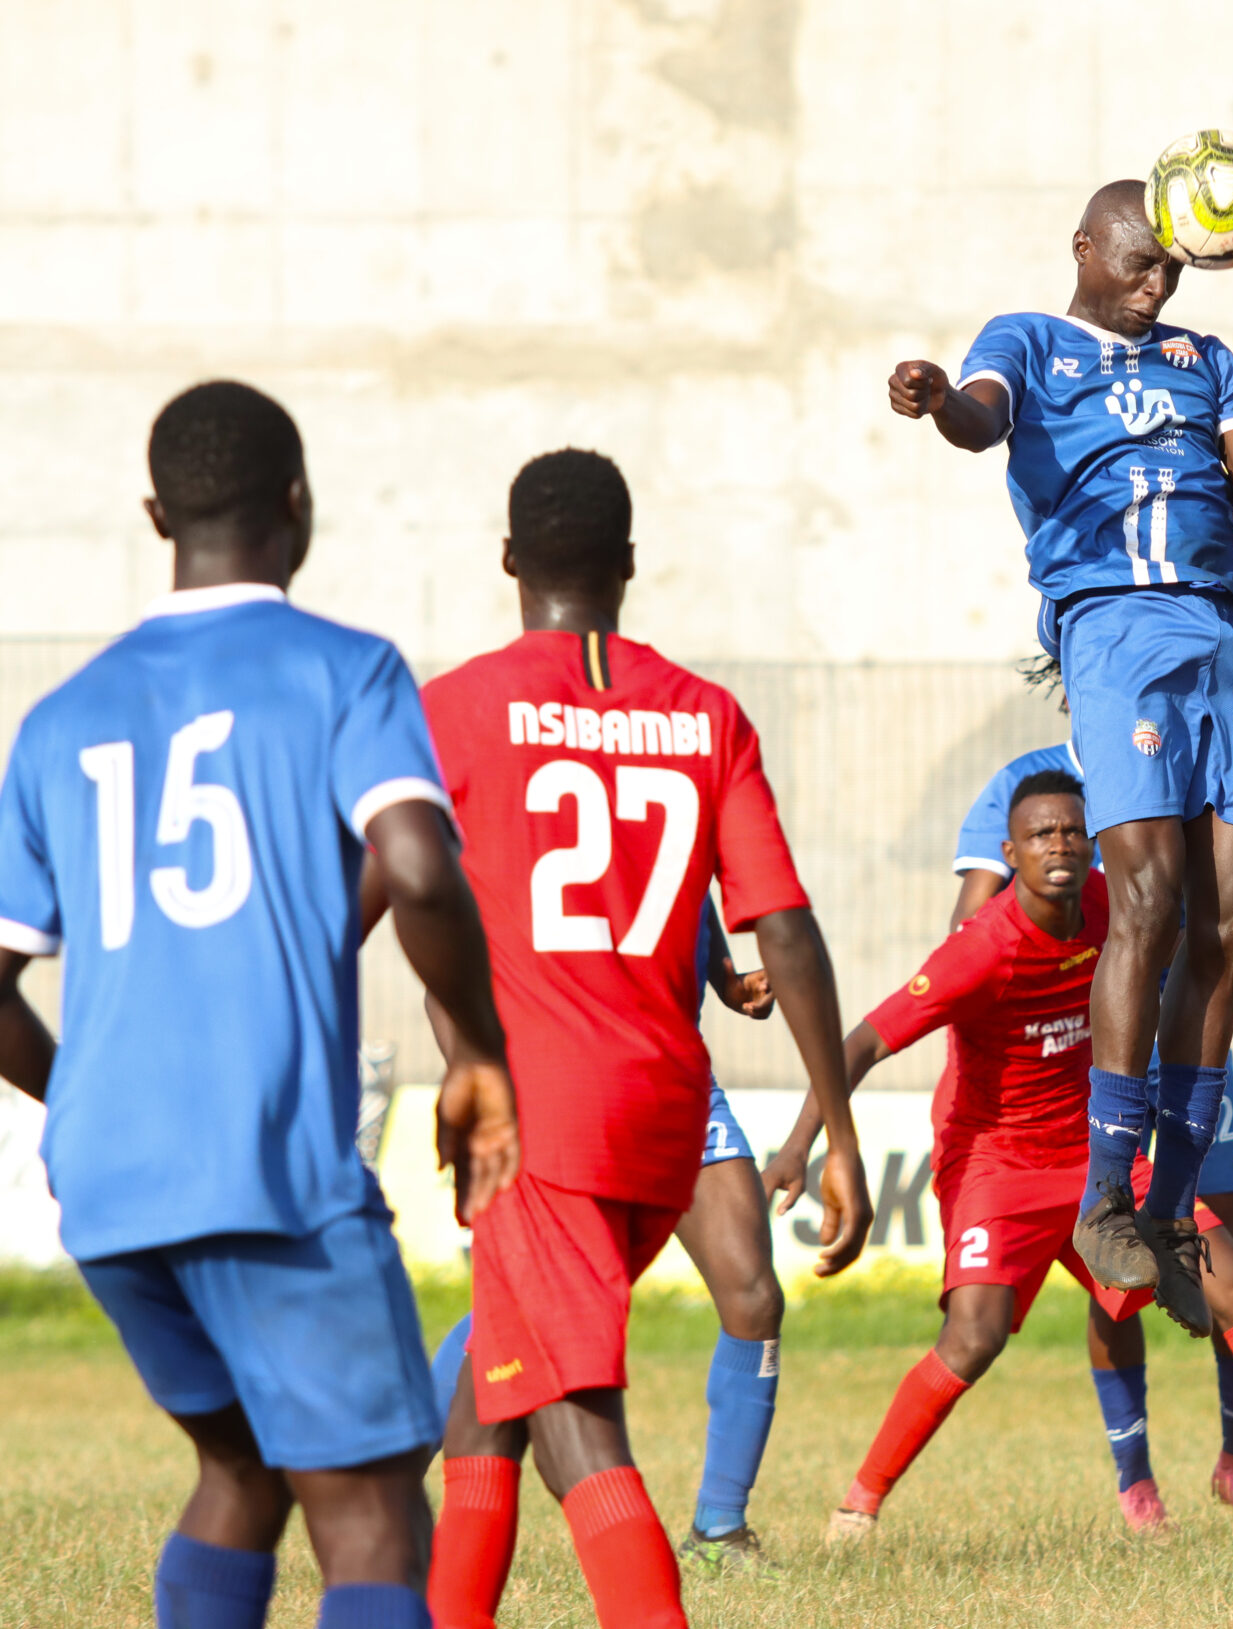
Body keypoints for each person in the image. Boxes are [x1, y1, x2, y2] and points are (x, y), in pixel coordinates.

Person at [0, 380, 521, 1629]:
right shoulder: (340, 670)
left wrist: (81, 1090)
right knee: (373, 1513)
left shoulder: (60, 717)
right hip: (268, 1172)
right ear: (299, 504)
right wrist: (482, 1054)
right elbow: (412, 863)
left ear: (153, 513)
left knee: (239, 1468)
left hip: (110, 1186)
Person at [886, 179, 1233, 1335]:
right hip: (1112, 629)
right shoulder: (1028, 342)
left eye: (1170, 269)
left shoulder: (1208, 361)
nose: (1156, 284)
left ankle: (1165, 1202)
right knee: (1150, 902)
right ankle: (1104, 1194)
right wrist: (932, 403)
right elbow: (978, 415)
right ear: (1084, 249)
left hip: (1221, 630)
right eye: (1137, 264)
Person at [415, 449, 872, 1629]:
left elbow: (407, 894)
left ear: (510, 561)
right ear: (628, 565)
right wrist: (841, 1132)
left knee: (573, 1414)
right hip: (670, 1111)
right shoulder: (704, 714)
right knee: (491, 1403)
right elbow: (789, 931)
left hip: (539, 1117)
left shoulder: (454, 707)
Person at [766, 772, 1233, 1539]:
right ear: (1011, 852)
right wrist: (810, 1145)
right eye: (1041, 836)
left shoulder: (1116, 911)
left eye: (1073, 831)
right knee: (975, 1334)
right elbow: (864, 1039)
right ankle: (856, 1506)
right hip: (998, 1162)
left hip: (1100, 1151)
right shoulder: (983, 949)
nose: (1060, 846)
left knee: (1229, 1270)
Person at [945, 661, 1233, 1528]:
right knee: (1115, 1272)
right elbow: (972, 930)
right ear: (1076, 686)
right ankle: (1136, 1482)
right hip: (1097, 1068)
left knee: (1230, 1249)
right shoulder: (1029, 789)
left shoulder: (1194, 760)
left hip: (1194, 1046)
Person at [423, 896, 796, 1572]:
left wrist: (730, 981)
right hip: (568, 1089)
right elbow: (443, 963)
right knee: (527, 1307)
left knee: (755, 1296)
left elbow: (685, 896)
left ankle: (720, 1529)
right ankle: (393, 1465)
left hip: (680, 1086)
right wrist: (471, 1074)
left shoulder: (673, 795)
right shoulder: (533, 812)